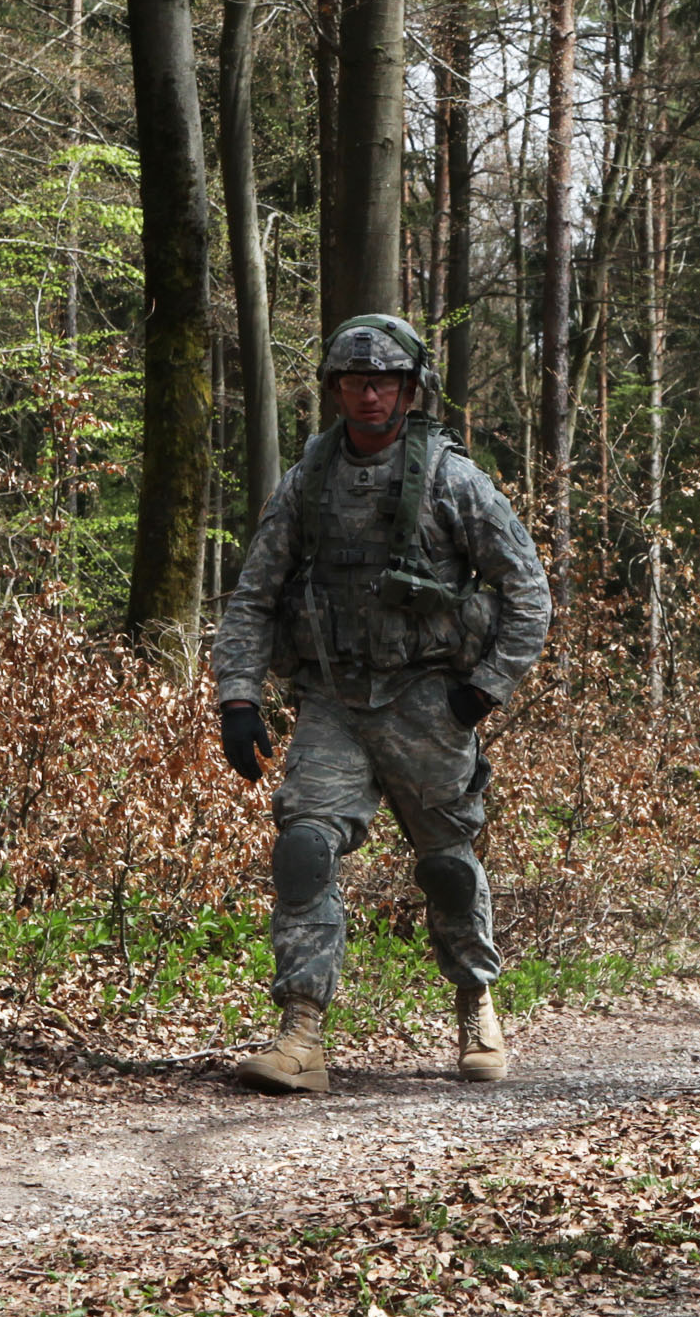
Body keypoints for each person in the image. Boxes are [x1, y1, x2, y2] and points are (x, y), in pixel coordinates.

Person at [211, 314, 553, 1094]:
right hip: (334, 699)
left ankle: (476, 1002)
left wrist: (481, 691)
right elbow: (255, 596)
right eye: (356, 381)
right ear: (334, 390)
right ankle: (300, 1034)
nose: (370, 394)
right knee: (304, 846)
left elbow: (527, 590)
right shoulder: (308, 482)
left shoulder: (450, 479)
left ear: (409, 389)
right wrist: (238, 698)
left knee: (446, 867)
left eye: (385, 382)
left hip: (428, 700)